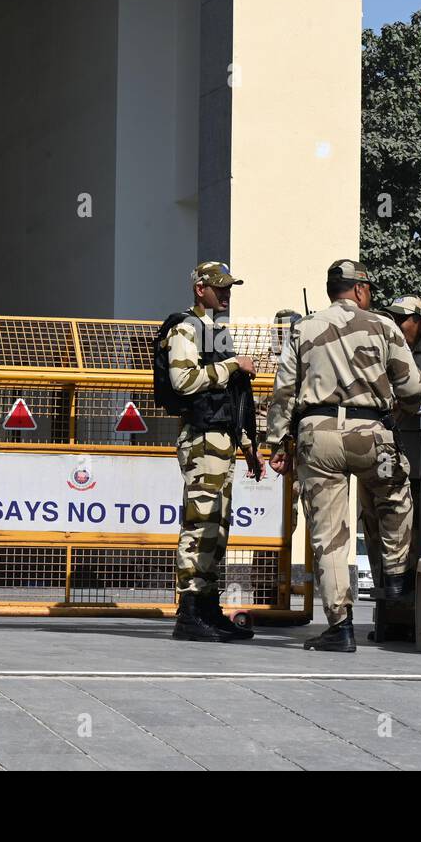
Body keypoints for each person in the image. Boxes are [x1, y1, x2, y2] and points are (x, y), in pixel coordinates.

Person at [264, 260, 421, 651]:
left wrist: (277, 442)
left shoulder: (303, 328)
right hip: (373, 437)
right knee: (393, 497)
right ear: (359, 289)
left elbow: (284, 391)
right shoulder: (384, 326)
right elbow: (413, 389)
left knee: (329, 534)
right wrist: (397, 413)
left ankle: (340, 626)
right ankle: (398, 575)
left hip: (318, 439)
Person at [159, 261, 264, 642]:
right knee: (200, 523)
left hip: (223, 439)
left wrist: (249, 445)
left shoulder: (215, 332)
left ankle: (206, 607)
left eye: (229, 287)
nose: (226, 292)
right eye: (219, 287)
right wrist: (232, 365)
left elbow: (235, 397)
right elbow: (183, 381)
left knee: (218, 527)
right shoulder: (186, 328)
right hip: (202, 438)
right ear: (199, 288)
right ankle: (189, 612)